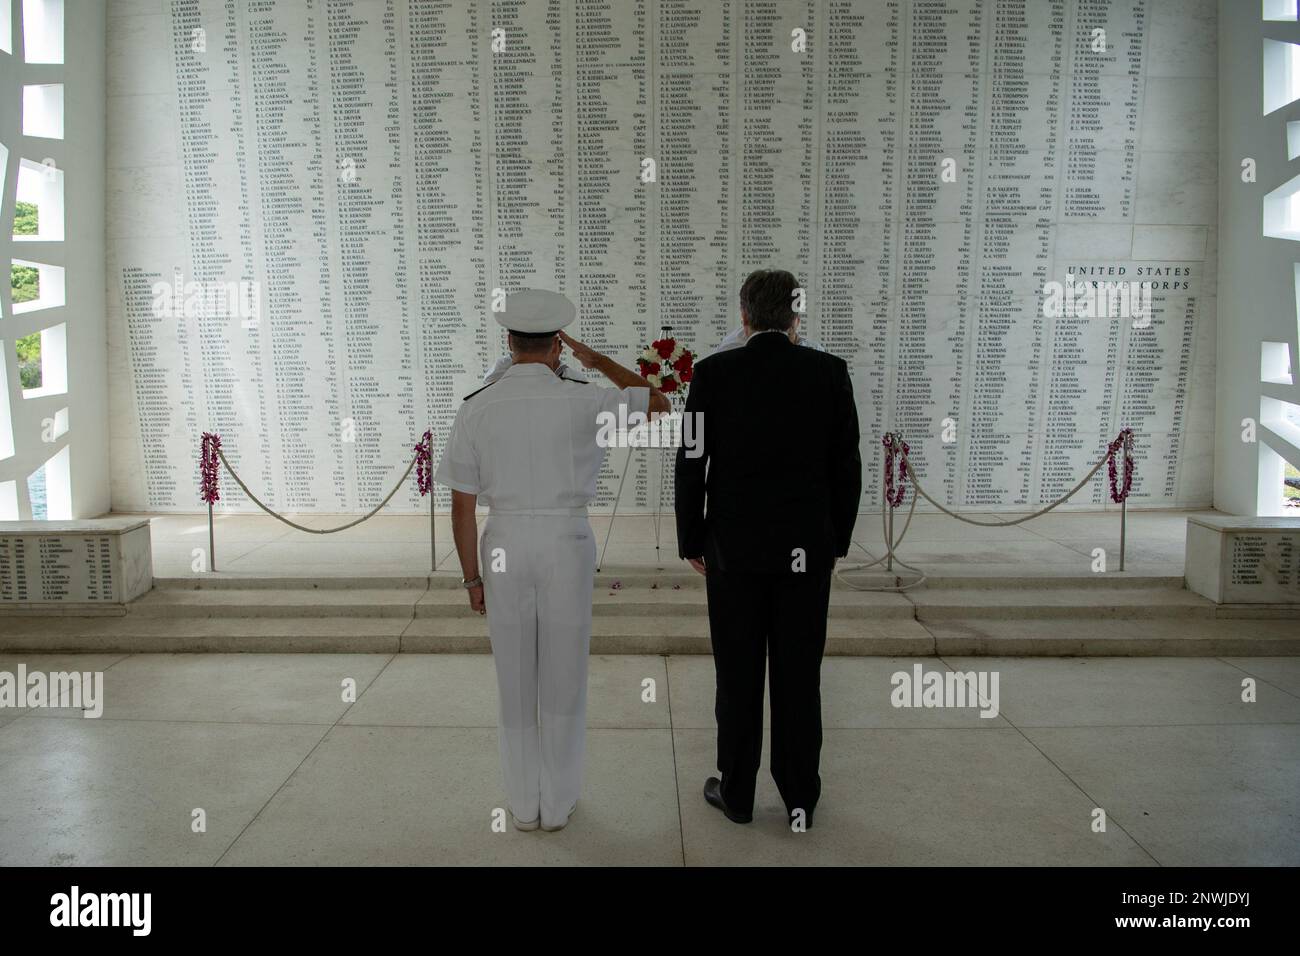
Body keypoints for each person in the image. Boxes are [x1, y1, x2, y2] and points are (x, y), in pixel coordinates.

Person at [436, 290, 669, 832]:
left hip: (504, 544)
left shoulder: (478, 405)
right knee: (565, 677)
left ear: (509, 341)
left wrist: (471, 578)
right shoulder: (584, 397)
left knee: (513, 680)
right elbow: (658, 404)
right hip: (567, 541)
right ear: (558, 344)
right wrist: (596, 360)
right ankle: (559, 803)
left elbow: (462, 506)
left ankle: (522, 806)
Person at [674, 269, 861, 830]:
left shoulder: (712, 374)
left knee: (737, 674)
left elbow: (691, 462)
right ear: (795, 317)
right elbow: (846, 466)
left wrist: (692, 537)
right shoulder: (829, 373)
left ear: (744, 315)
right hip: (806, 550)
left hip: (733, 551)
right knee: (800, 674)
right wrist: (837, 541)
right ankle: (800, 797)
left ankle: (737, 794)